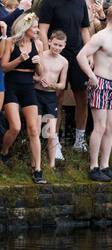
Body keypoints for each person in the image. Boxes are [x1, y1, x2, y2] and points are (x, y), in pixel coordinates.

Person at [37, 0, 91, 151]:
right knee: (56, 97)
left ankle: (79, 140)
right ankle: (54, 142)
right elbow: (43, 30)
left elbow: (85, 30)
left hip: (78, 55)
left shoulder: (81, 2)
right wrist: (46, 56)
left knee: (82, 96)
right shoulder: (49, 3)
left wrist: (89, 53)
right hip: (56, 55)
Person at [76, 5, 112, 181]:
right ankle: (93, 166)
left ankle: (105, 165)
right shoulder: (101, 36)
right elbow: (81, 56)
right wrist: (92, 77)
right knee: (99, 126)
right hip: (100, 82)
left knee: (111, 126)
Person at [1, 12, 47, 182]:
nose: (37, 30)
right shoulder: (10, 42)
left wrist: (37, 64)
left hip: (29, 86)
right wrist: (19, 59)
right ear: (25, 28)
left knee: (34, 129)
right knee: (15, 127)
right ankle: (4, 151)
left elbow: (41, 73)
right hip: (11, 85)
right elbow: (4, 68)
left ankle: (38, 170)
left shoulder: (39, 44)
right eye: (34, 27)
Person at [34, 30, 69, 176]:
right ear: (49, 42)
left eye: (60, 45)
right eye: (55, 44)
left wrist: (52, 85)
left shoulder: (64, 61)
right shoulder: (41, 56)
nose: (57, 48)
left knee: (50, 132)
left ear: (64, 45)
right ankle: (36, 163)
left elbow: (62, 85)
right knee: (35, 130)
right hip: (36, 94)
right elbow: (31, 75)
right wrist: (39, 80)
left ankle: (51, 164)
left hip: (50, 97)